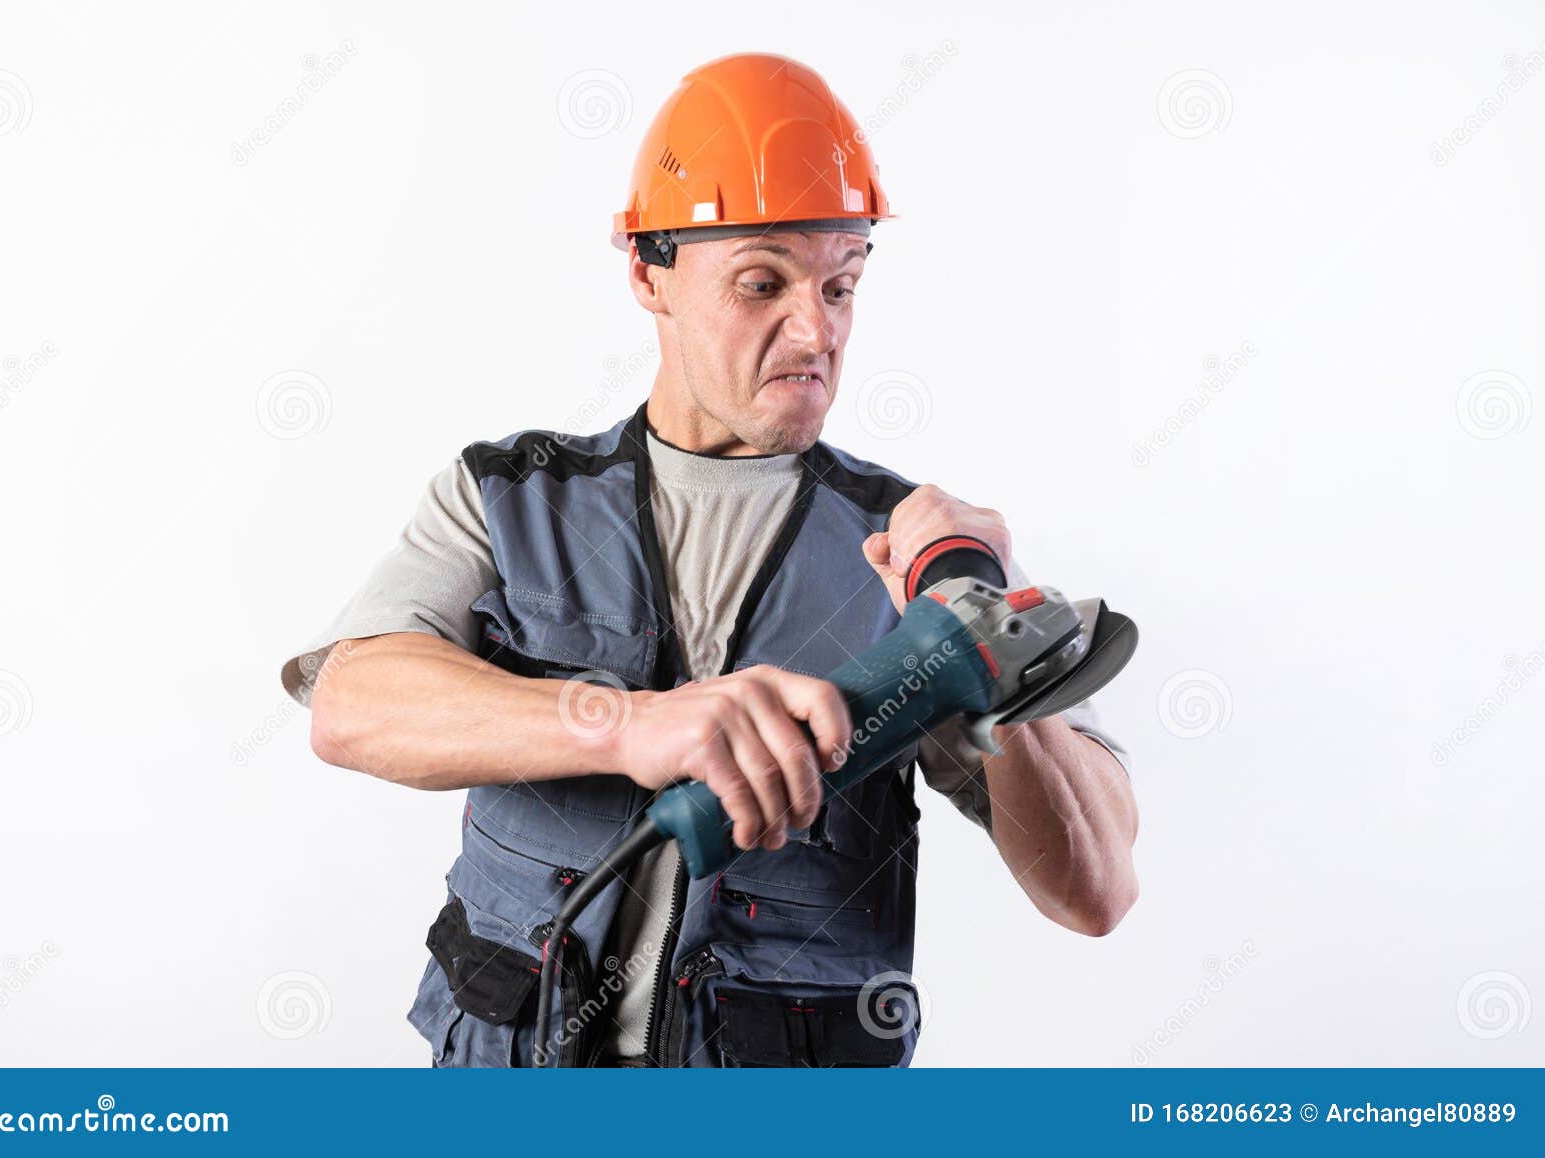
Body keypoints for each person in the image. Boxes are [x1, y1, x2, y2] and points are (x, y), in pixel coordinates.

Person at [278, 52, 1139, 1068]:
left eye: (841, 283)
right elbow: (353, 707)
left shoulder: (909, 547)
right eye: (761, 282)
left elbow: (1093, 893)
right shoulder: (510, 497)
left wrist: (984, 652)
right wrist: (626, 725)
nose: (813, 329)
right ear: (648, 270)